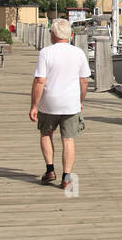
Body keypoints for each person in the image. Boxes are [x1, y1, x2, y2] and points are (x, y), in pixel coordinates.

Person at [29, 18, 90, 187]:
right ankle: (66, 176)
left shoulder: (45, 53)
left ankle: (50, 170)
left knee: (46, 134)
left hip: (49, 102)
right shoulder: (78, 53)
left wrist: (34, 105)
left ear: (53, 35)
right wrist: (80, 101)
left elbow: (40, 81)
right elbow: (84, 81)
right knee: (68, 139)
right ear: (70, 35)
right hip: (71, 103)